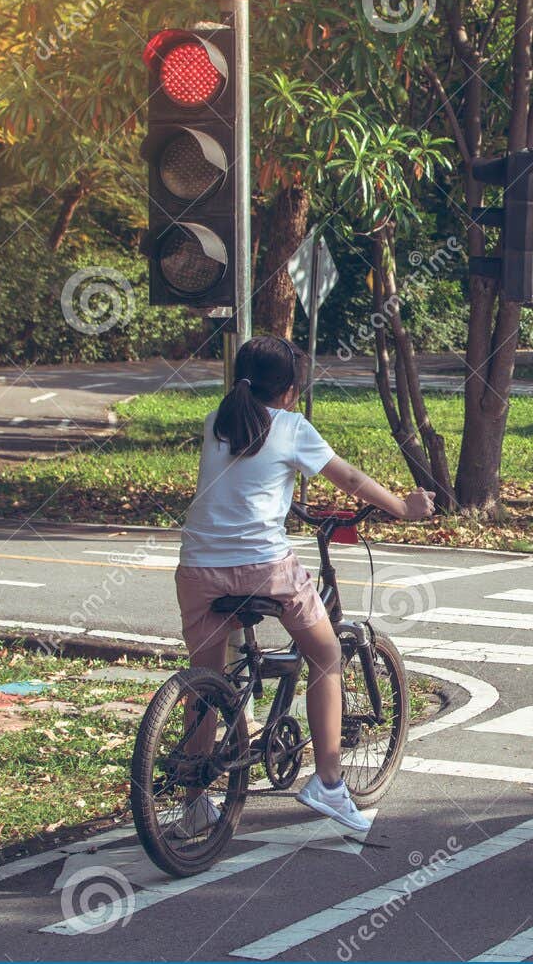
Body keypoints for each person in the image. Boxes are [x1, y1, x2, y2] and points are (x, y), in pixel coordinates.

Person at [174, 335, 434, 834]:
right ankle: (329, 784)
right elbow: (353, 481)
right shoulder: (292, 427)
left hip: (197, 569)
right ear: (290, 391)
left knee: (205, 683)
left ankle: (193, 803)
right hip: (262, 568)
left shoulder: (217, 422)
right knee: (326, 654)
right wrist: (404, 507)